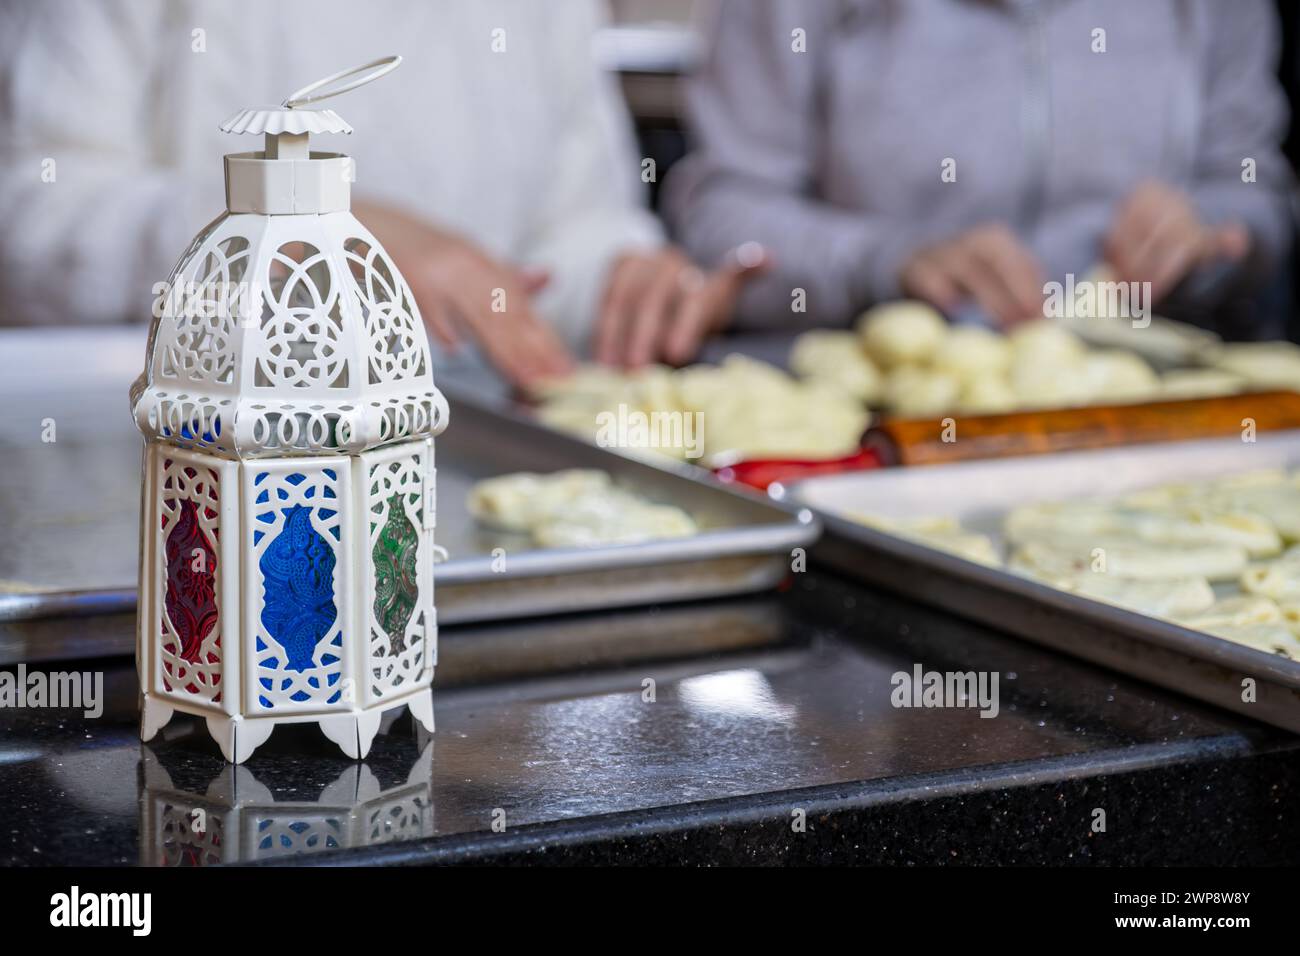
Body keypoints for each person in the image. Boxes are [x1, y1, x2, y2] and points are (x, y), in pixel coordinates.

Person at [0, 0, 761, 386]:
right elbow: (31, 220)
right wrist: (293, 230)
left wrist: (625, 284)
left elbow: (569, 234)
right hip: (179, 483)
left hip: (463, 480)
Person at [664, 0, 1294, 338]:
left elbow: (1256, 186)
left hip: (1149, 403)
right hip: (878, 414)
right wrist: (883, 262)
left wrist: (1212, 228)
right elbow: (723, 213)